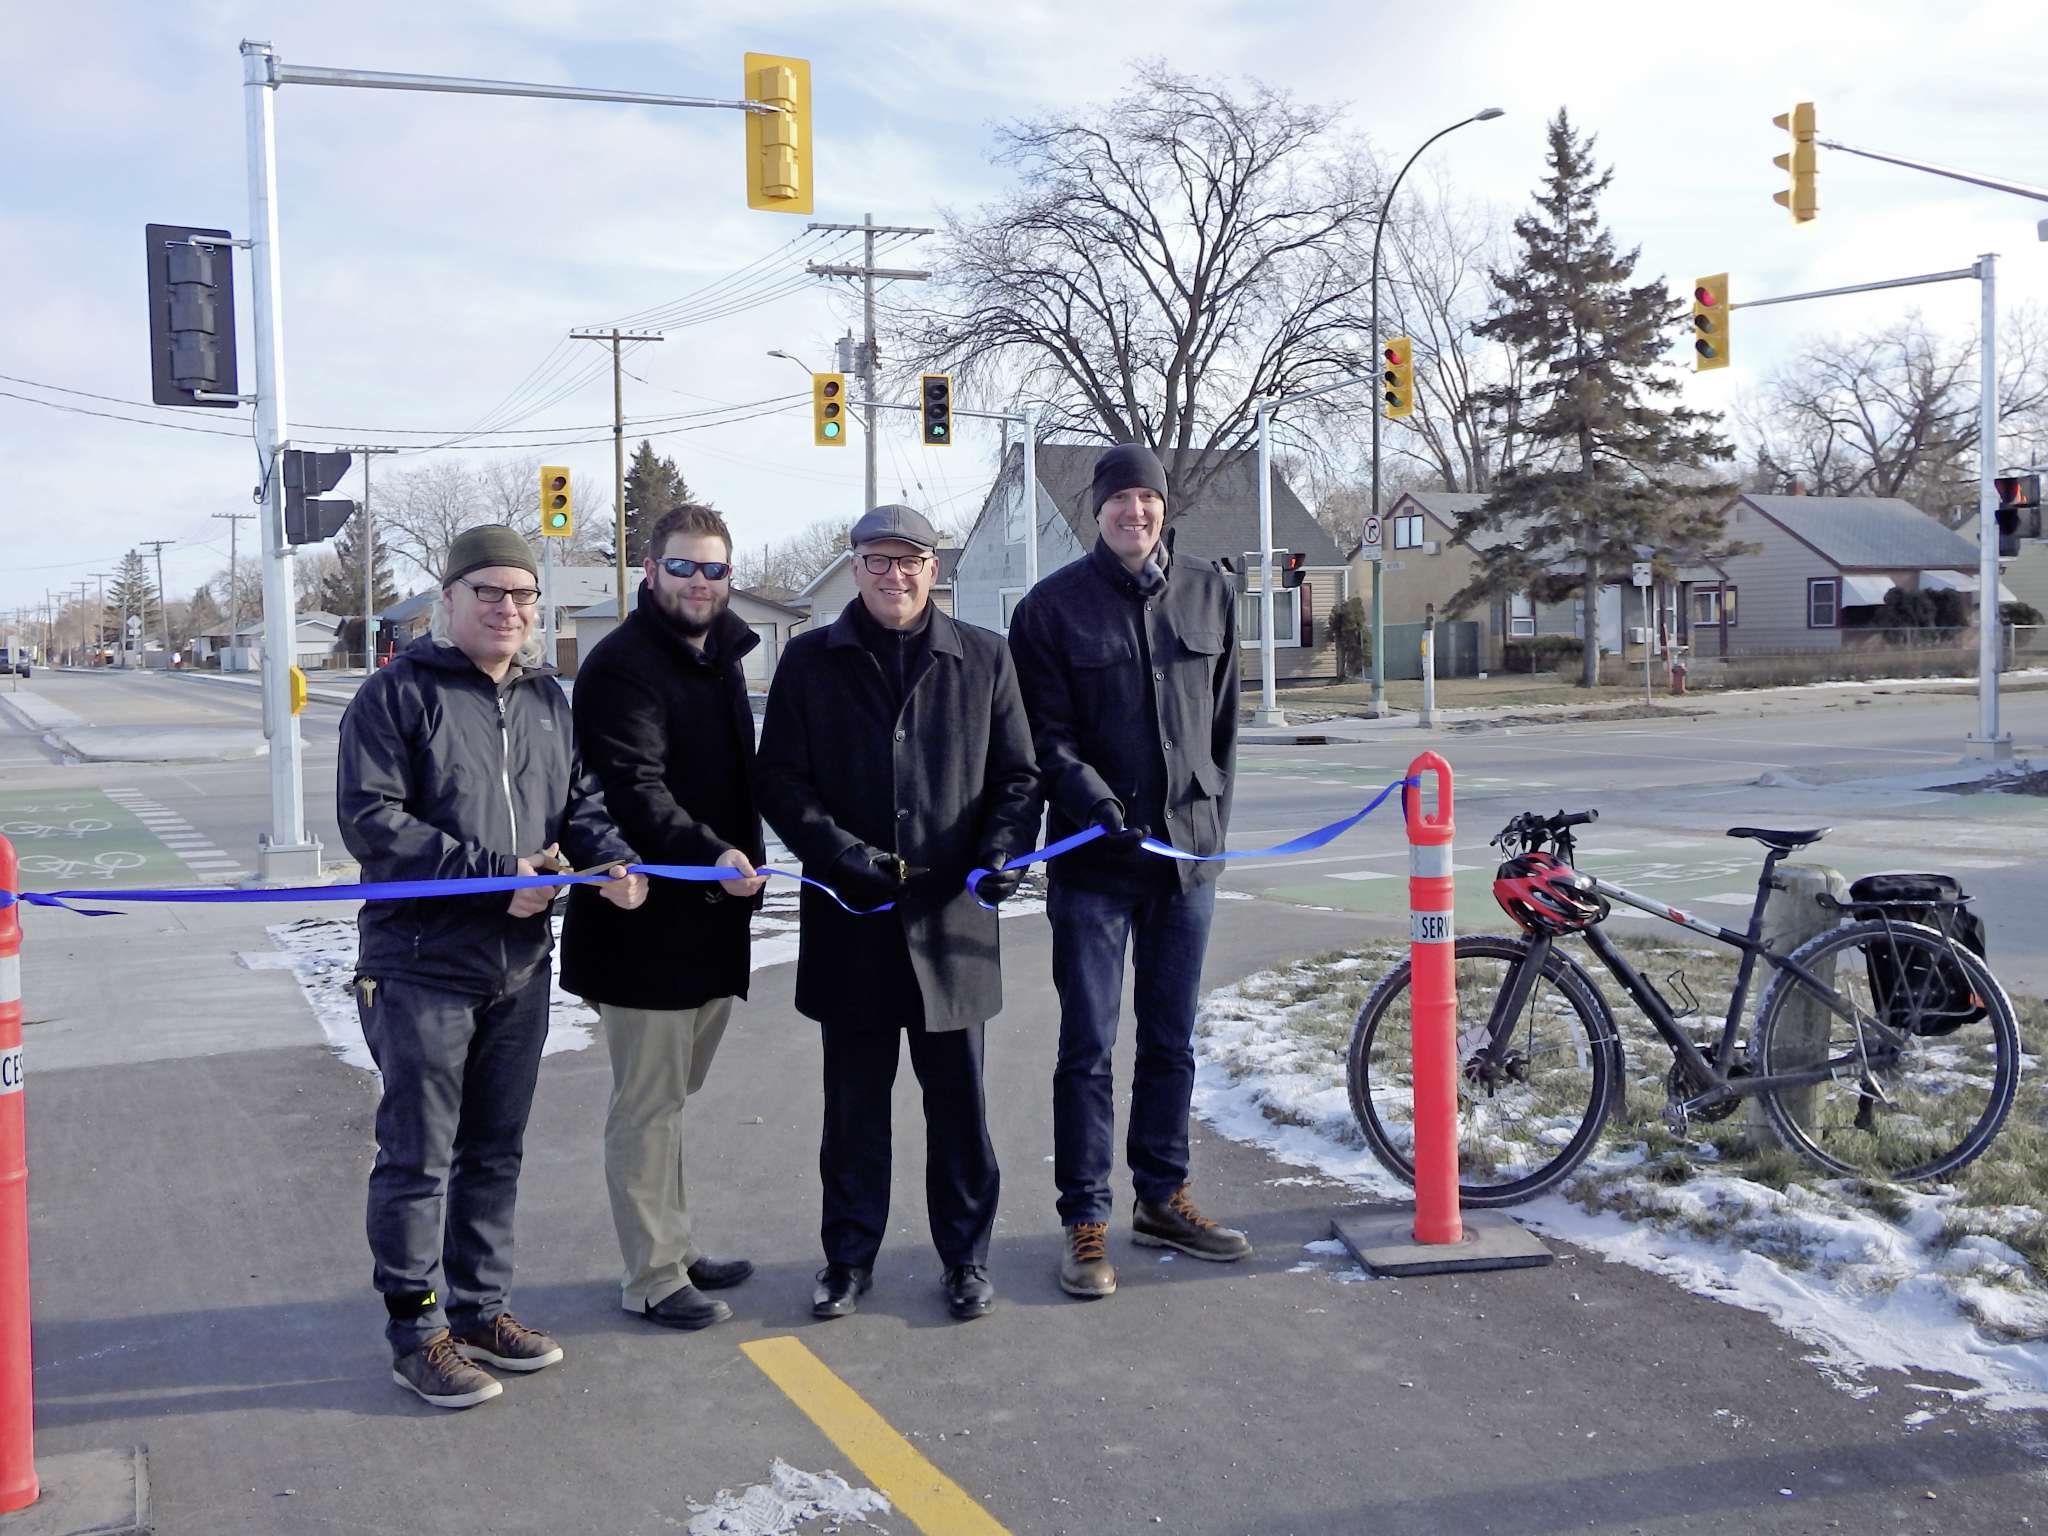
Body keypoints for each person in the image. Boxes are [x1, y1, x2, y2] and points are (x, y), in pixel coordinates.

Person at [339, 524, 648, 1409]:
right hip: (422, 965)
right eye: (489, 592)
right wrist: (492, 879)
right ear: (449, 600)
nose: (508, 608)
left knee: (495, 1149)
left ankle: (480, 1311)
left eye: (522, 594)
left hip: (519, 963)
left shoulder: (547, 698)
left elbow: (580, 802)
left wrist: (612, 861)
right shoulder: (396, 696)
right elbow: (373, 822)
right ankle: (417, 1331)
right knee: (418, 1157)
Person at [756, 504, 1040, 1323]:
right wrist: (840, 854)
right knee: (854, 1113)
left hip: (952, 926)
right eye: (878, 561)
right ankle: (848, 1259)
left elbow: (1019, 779)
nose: (895, 575)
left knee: (960, 1111)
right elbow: (781, 781)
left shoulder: (984, 657)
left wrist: (1002, 852)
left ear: (932, 570)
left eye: (909, 560)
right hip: (853, 922)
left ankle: (966, 1258)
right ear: (854, 568)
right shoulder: (810, 661)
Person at [1007, 443, 1250, 1300]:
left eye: (1146, 499)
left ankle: (1162, 1196)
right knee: (1087, 1047)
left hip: (1186, 864)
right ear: (1097, 510)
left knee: (1171, 1039)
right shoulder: (1049, 610)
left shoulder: (1212, 592)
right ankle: (1086, 1219)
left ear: (1162, 506)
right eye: (1119, 501)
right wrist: (1090, 796)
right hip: (1094, 867)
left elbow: (1223, 724)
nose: (1134, 513)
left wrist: (1209, 829)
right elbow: (1042, 737)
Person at [560, 503, 766, 1333]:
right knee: (646, 1106)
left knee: (675, 1096)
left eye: (713, 569)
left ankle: (674, 1246)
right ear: (650, 571)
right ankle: (651, 1276)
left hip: (712, 919)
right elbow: (633, 789)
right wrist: (713, 852)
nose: (698, 582)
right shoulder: (622, 666)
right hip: (640, 923)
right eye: (682, 566)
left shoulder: (722, 657)